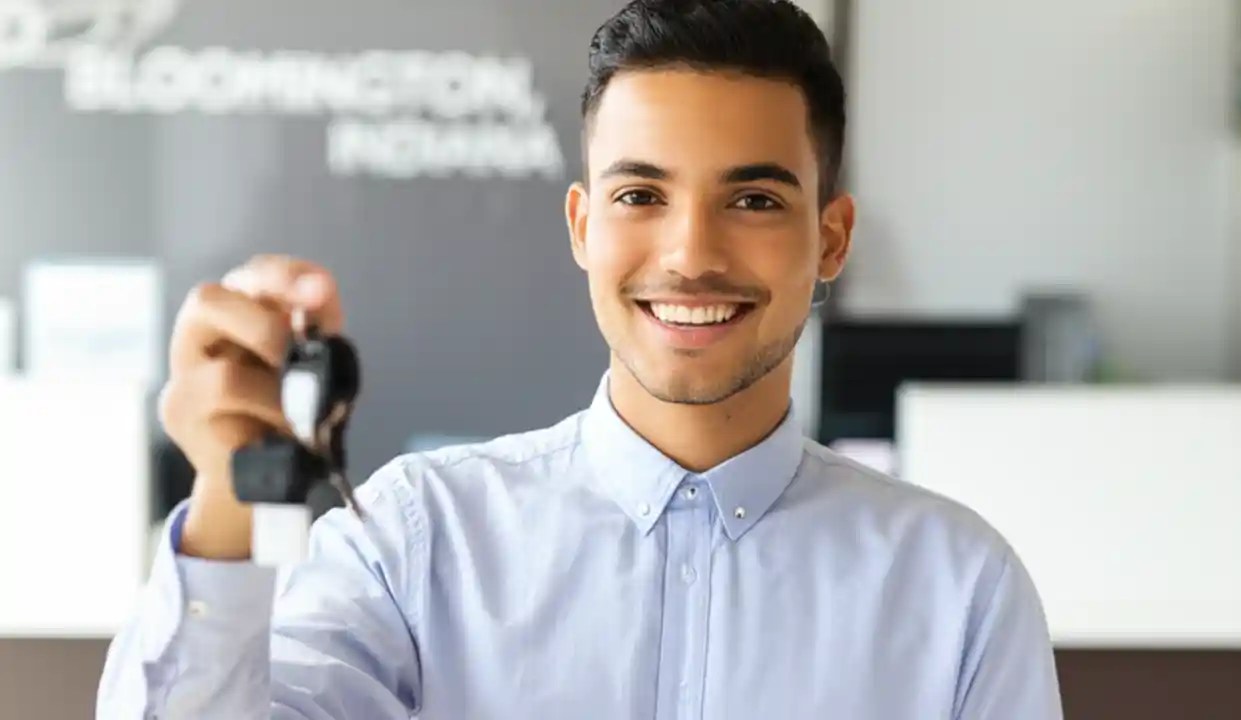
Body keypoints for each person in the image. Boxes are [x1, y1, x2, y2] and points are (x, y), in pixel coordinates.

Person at [96, 0, 1063, 717]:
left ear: (833, 238)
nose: (690, 253)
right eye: (641, 195)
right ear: (582, 225)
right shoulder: (411, 544)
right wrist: (227, 505)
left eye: (755, 200)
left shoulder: (958, 589)